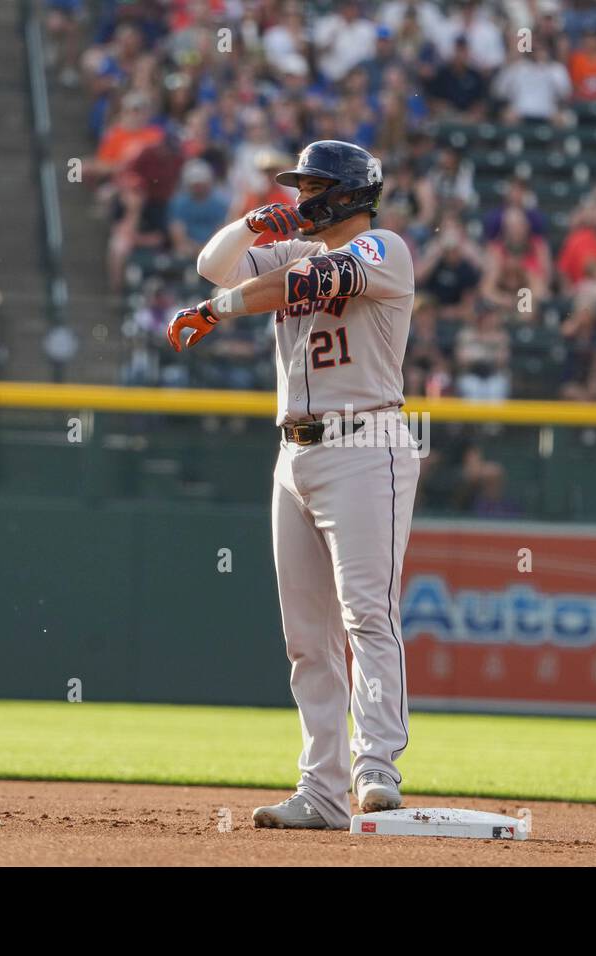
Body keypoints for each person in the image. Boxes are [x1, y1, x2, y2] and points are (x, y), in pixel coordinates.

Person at [171, 141, 418, 830]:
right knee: (307, 636)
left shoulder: (384, 250)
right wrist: (256, 224)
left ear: (346, 193)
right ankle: (321, 788)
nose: (301, 198)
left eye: (312, 187)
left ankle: (376, 768)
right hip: (295, 453)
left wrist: (218, 309)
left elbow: (299, 286)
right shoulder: (291, 249)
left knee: (367, 613)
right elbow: (210, 263)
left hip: (366, 445)